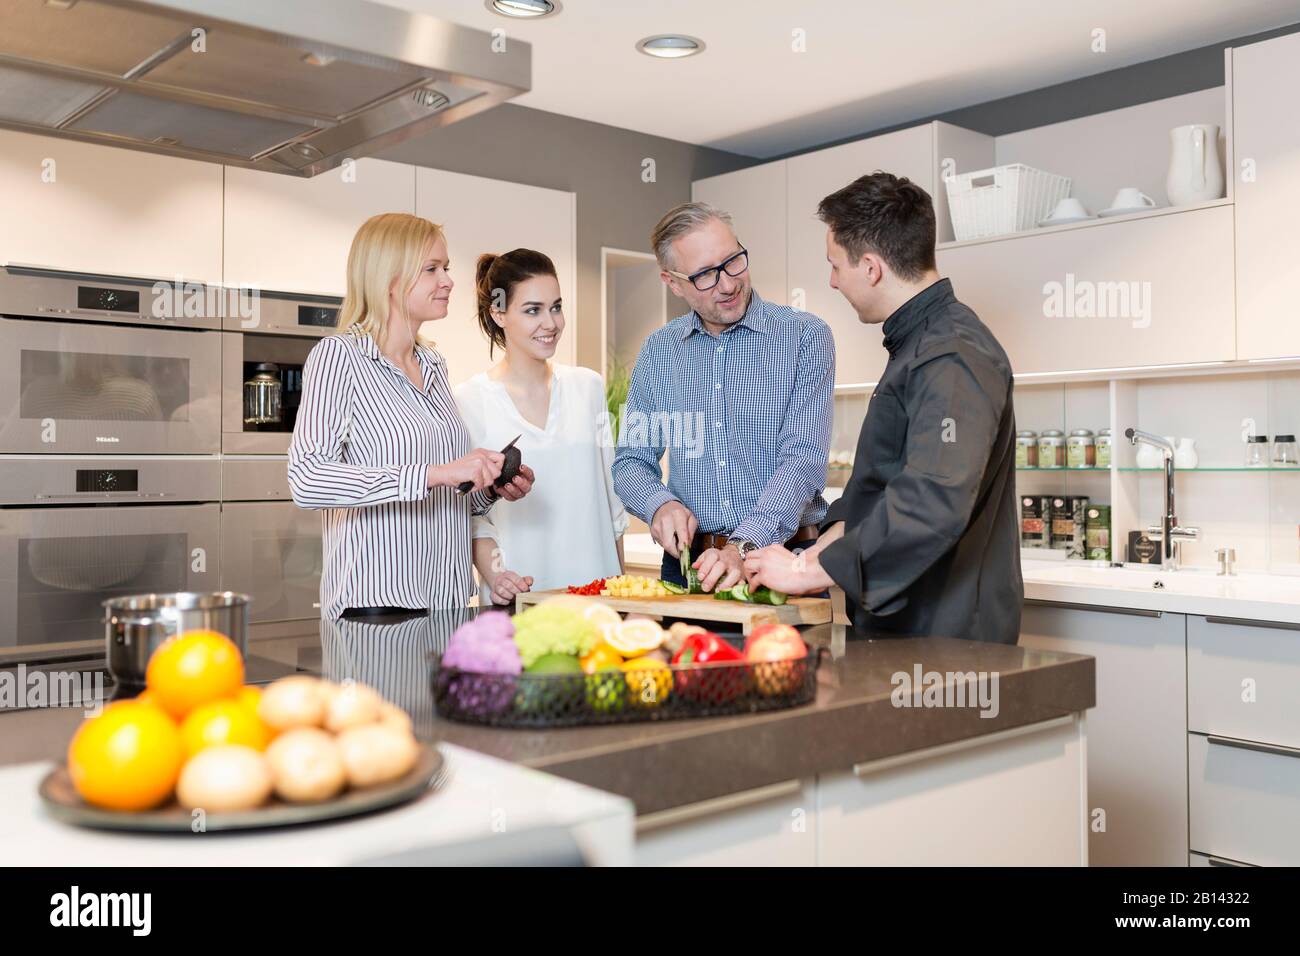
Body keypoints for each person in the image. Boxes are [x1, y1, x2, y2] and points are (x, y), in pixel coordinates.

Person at [744, 172, 1022, 643]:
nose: (831, 282)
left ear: (871, 267)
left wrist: (806, 572)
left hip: (946, 640)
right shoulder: (919, 345)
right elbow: (882, 491)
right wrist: (807, 556)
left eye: (835, 266)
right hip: (907, 629)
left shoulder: (952, 355)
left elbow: (931, 500)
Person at [288, 212, 534, 619]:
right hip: (376, 605)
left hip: (450, 602)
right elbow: (308, 480)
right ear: (390, 279)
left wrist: (488, 485)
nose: (448, 281)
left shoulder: (434, 364)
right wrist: (435, 473)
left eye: (447, 268)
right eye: (432, 269)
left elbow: (449, 498)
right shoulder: (340, 358)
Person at [612, 202, 834, 592]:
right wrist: (660, 505)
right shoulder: (658, 351)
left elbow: (802, 459)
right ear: (672, 282)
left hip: (784, 565)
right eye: (704, 276)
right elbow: (631, 460)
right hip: (687, 569)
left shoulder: (805, 337)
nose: (728, 284)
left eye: (733, 261)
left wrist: (742, 546)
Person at [455, 248, 628, 606]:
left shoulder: (588, 387)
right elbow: (471, 514)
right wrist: (497, 577)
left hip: (597, 598)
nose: (550, 323)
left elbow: (613, 504)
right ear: (498, 314)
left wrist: (623, 598)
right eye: (533, 310)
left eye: (556, 307)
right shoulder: (467, 400)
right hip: (522, 600)